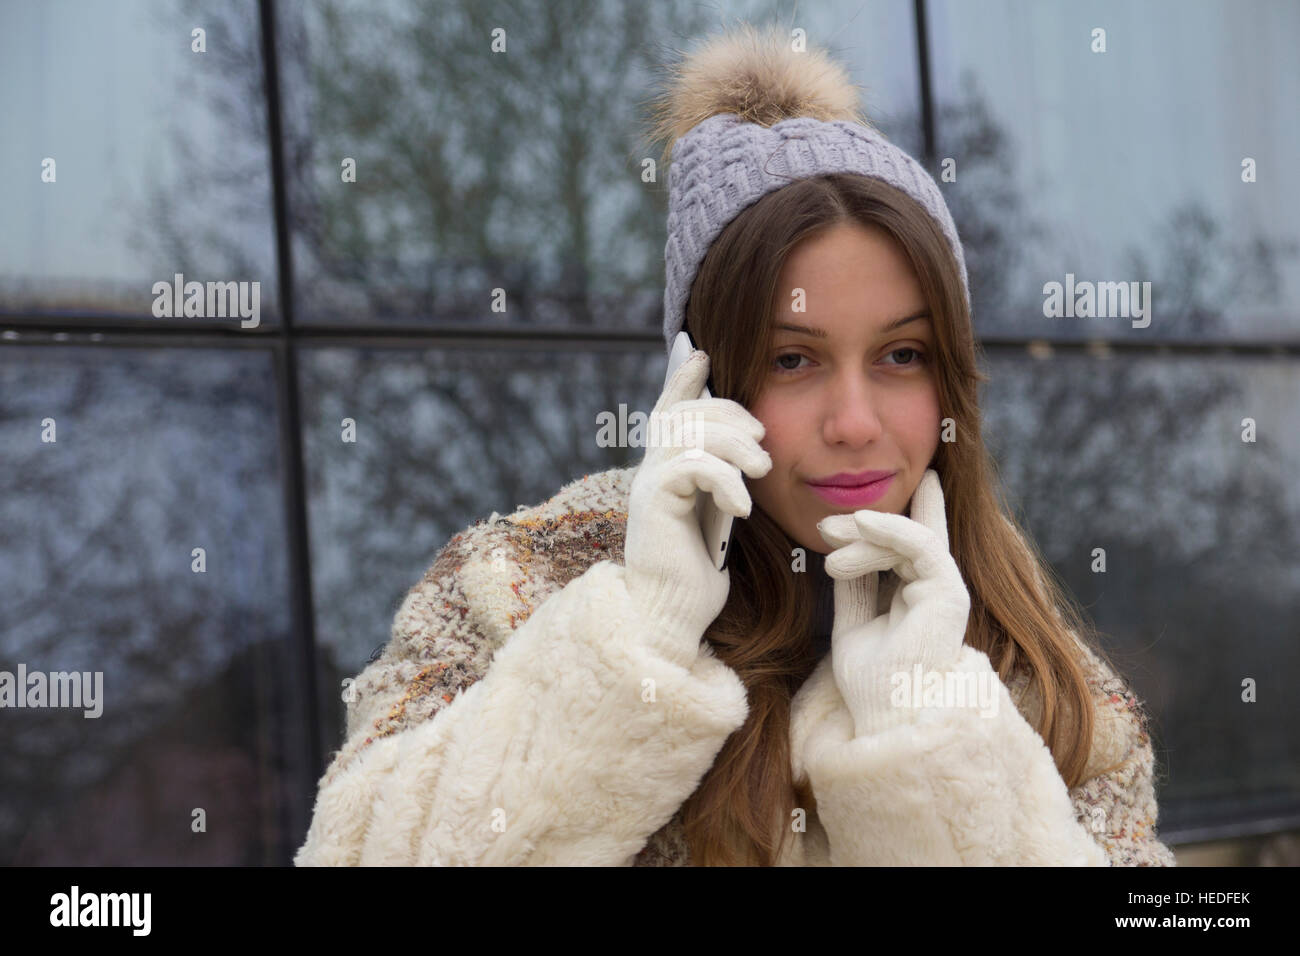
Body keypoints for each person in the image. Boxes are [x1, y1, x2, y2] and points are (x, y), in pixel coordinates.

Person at [294, 21, 1177, 867]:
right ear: (703, 377)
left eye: (902, 356)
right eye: (793, 359)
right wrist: (644, 637)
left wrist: (924, 732)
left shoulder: (1038, 666)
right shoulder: (514, 588)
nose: (856, 421)